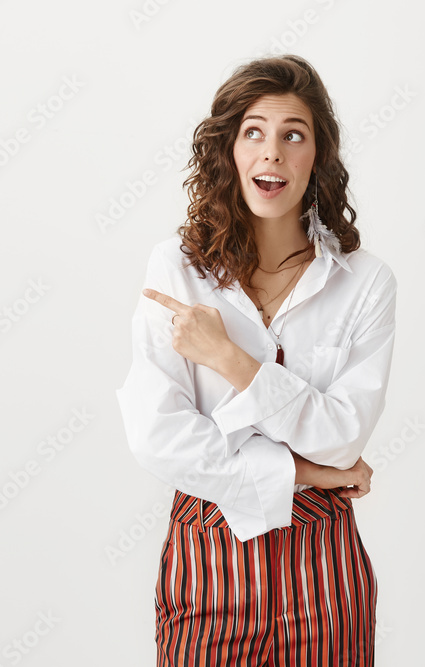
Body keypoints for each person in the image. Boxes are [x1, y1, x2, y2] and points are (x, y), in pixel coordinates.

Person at [114, 54, 397, 666]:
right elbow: (157, 435)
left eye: (293, 134)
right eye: (253, 132)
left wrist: (228, 358)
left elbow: (343, 437)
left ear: (316, 156)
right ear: (231, 152)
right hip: (207, 564)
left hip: (325, 577)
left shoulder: (366, 283)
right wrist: (299, 472)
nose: (272, 152)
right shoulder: (176, 270)